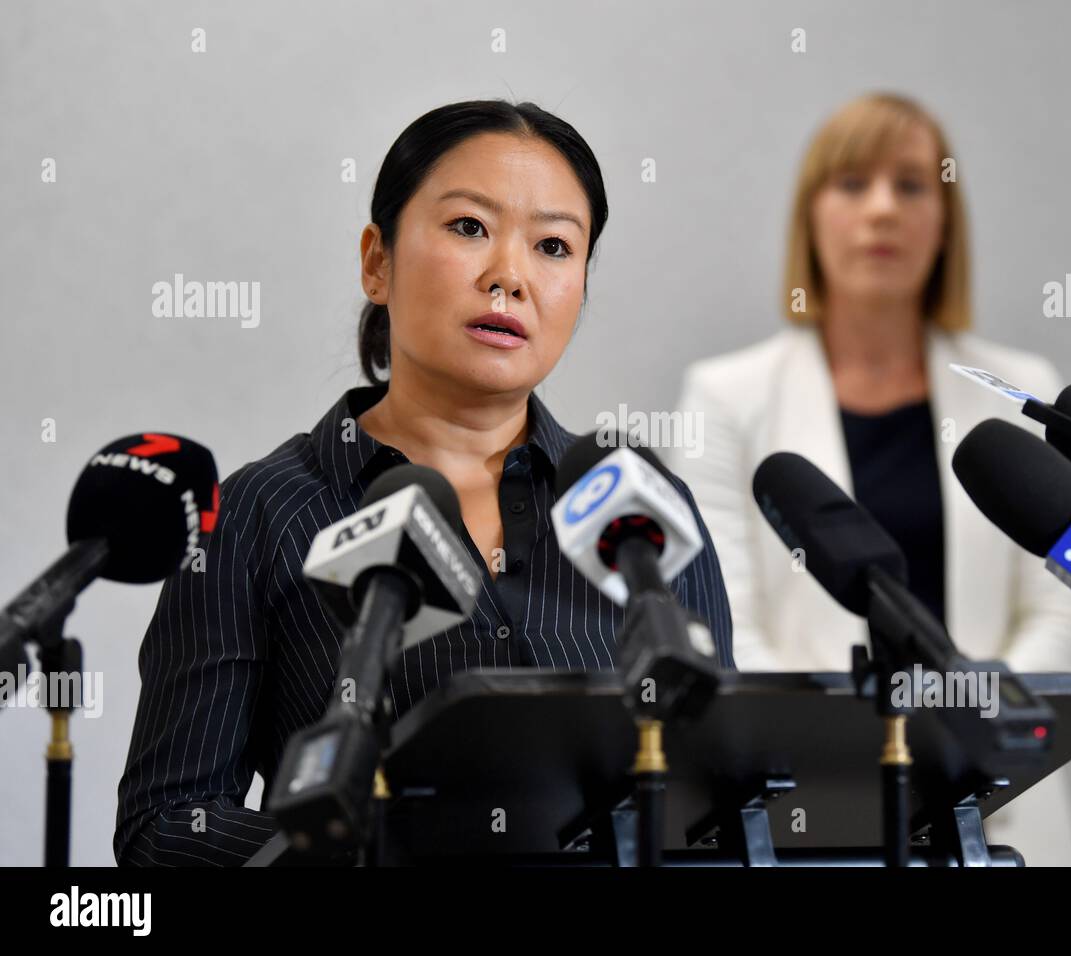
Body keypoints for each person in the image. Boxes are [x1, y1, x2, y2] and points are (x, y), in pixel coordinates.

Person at [114, 100, 734, 866]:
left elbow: (722, 801)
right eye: (469, 227)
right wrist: (380, 853)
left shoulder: (642, 509)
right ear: (378, 260)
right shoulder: (255, 513)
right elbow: (168, 826)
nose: (509, 276)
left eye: (552, 245)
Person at [668, 92, 1071, 866]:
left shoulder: (1023, 387)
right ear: (810, 214)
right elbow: (725, 622)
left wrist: (975, 724)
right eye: (852, 183)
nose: (882, 210)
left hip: (1002, 804)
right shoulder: (724, 398)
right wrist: (853, 744)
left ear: (946, 219)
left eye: (910, 184)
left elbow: (1063, 608)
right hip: (809, 800)